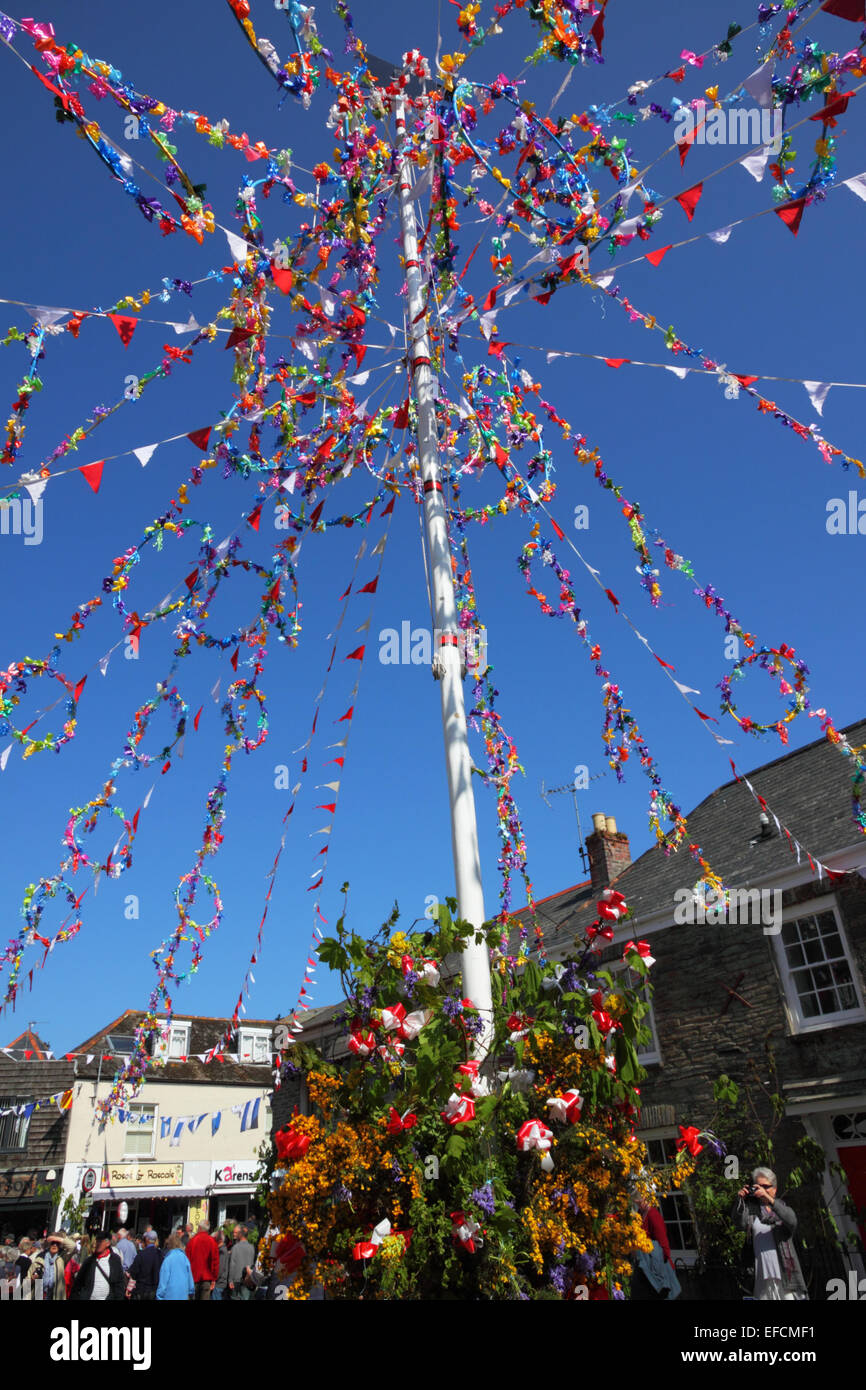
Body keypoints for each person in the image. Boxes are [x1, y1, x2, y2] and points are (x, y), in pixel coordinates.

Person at [734, 1167, 807, 1300]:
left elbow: (792, 1221)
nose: (761, 1190)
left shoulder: (781, 1209)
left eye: (765, 1186)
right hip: (761, 1279)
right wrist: (740, 1201)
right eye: (758, 1186)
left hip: (786, 1276)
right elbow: (739, 1224)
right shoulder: (752, 1211)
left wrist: (769, 1199)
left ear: (774, 1189)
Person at [632, 1197, 681, 1300]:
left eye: (640, 1198)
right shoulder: (640, 1214)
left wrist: (658, 1269)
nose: (638, 1201)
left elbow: (664, 1245)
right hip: (647, 1268)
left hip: (659, 1267)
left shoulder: (653, 1214)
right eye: (636, 1199)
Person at [71, 1231, 126, 1301]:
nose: (97, 1244)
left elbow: (119, 1284)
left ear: (108, 1243)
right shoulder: (89, 1261)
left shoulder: (115, 1260)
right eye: (97, 1241)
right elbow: (77, 1284)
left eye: (100, 1241)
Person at [186, 1220, 220, 1300]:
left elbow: (187, 1260)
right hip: (206, 1279)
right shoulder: (212, 1242)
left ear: (200, 1228)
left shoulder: (192, 1241)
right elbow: (215, 1262)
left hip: (193, 1278)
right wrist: (214, 1278)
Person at [156, 1230, 194, 1300]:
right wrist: (190, 1292)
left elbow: (163, 1282)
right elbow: (190, 1280)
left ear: (169, 1245)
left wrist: (159, 1296)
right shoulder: (185, 1259)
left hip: (169, 1296)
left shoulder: (167, 1260)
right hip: (183, 1296)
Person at [129, 1230, 163, 1301]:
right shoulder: (160, 1255)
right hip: (155, 1290)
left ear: (146, 1240)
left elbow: (133, 1272)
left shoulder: (141, 1254)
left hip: (141, 1290)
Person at [227, 1224, 255, 1301]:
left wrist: (230, 1280)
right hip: (247, 1279)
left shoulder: (235, 1247)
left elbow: (232, 1265)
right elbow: (252, 1264)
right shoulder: (252, 1247)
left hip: (237, 1279)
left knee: (234, 1298)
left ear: (240, 1234)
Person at [213, 1229, 229, 1302]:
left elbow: (220, 1268)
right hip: (219, 1282)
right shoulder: (221, 1250)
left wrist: (214, 1279)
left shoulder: (222, 1251)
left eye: (215, 1238)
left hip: (219, 1283)